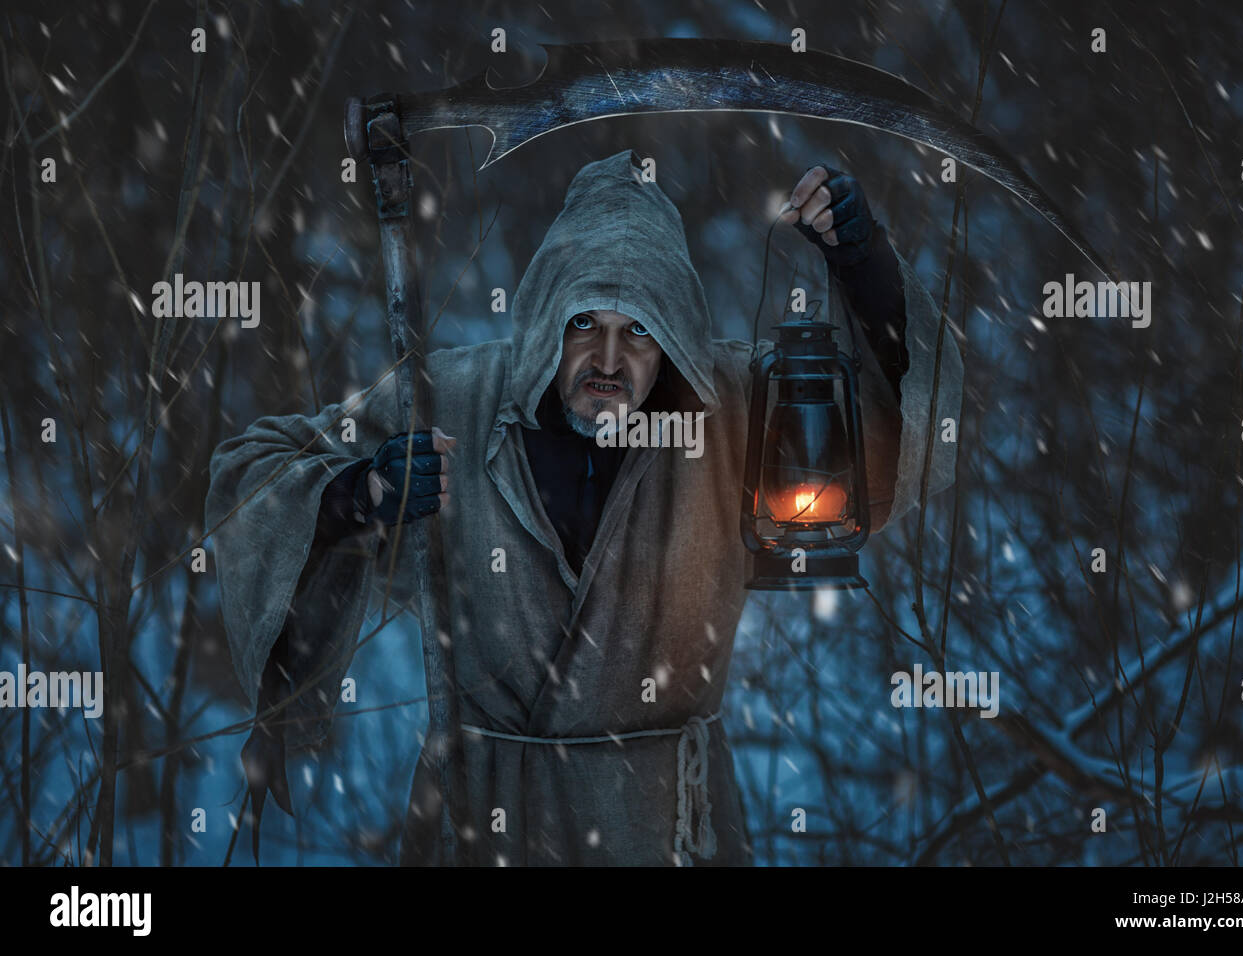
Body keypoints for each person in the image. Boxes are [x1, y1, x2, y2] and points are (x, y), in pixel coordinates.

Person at [205, 148, 963, 865]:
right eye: (585, 325)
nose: (609, 361)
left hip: (668, 832)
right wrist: (360, 494)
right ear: (545, 322)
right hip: (485, 821)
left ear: (671, 338)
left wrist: (863, 266)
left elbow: (898, 434)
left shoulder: (729, 413)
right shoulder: (454, 403)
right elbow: (251, 473)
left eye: (638, 331)